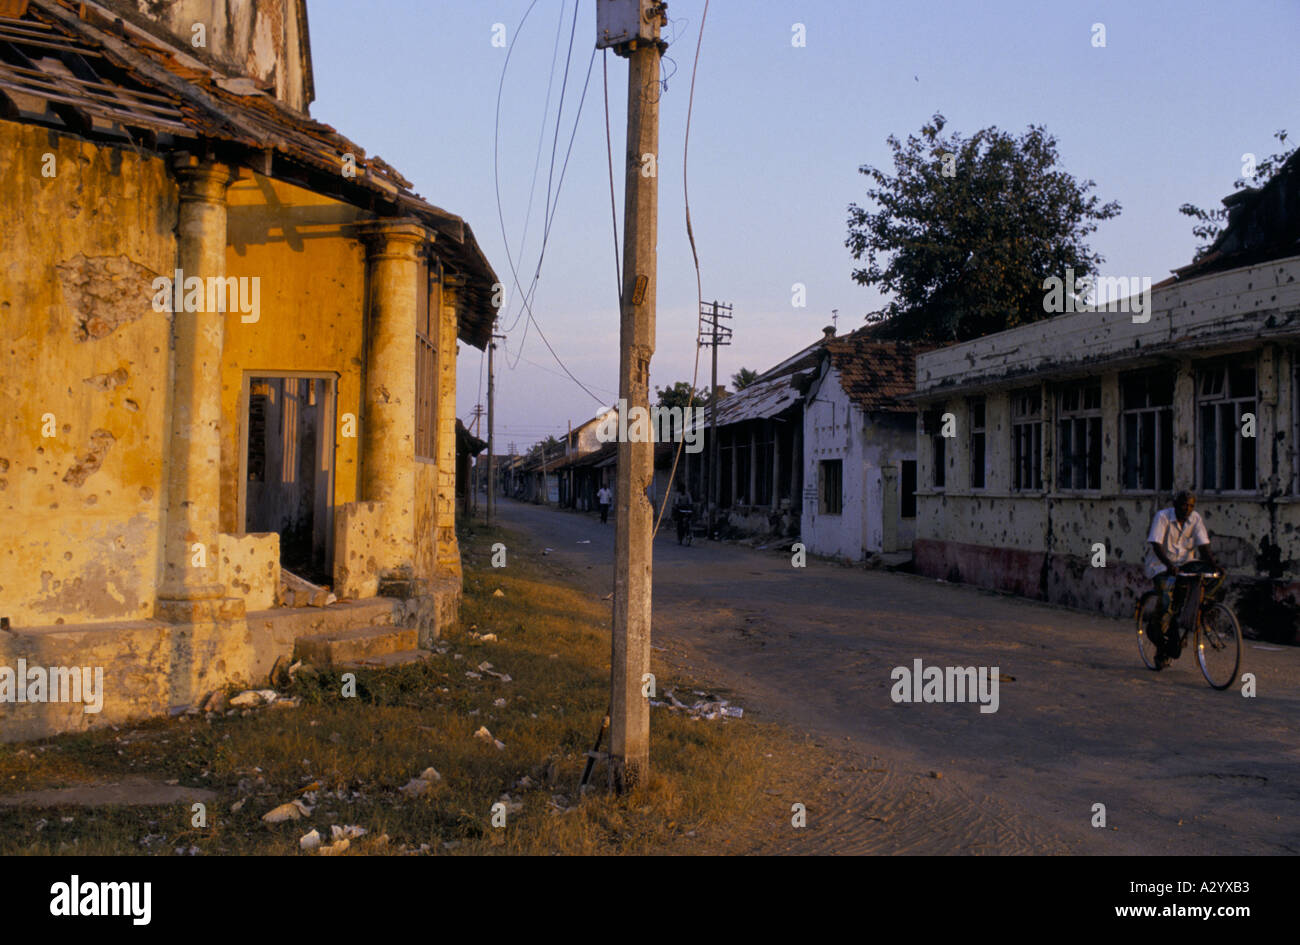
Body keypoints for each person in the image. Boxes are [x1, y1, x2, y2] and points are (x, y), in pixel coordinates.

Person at [1145, 490, 1219, 669]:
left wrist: (1214, 564)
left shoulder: (1195, 519)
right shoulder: (1162, 517)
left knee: (1207, 581)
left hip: (1185, 565)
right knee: (1165, 600)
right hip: (1162, 565)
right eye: (1184, 504)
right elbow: (1156, 544)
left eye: (1191, 505)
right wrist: (1169, 565)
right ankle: (1154, 631)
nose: (1188, 509)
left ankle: (1183, 621)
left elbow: (1204, 546)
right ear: (1175, 503)